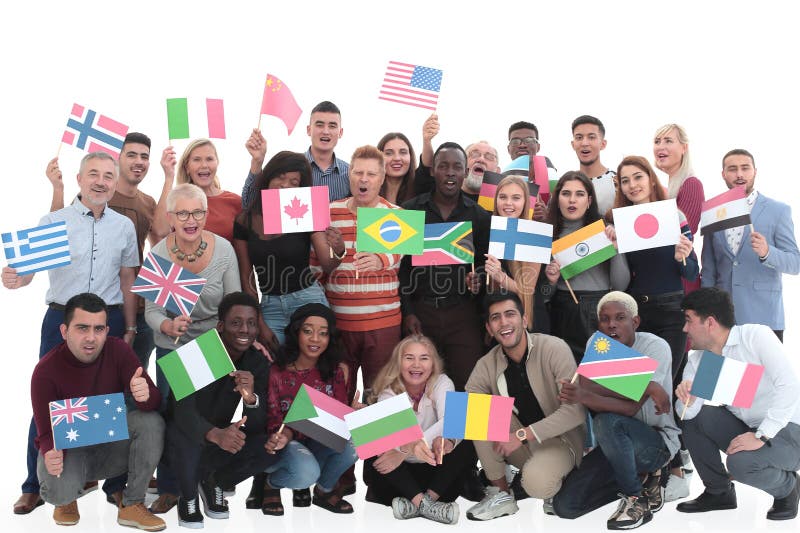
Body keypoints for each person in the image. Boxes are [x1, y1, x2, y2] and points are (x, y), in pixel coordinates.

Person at [3, 152, 139, 515]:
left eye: (108, 176)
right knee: (49, 403)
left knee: (112, 399)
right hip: (61, 318)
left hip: (107, 317)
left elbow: (128, 281)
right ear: (79, 179)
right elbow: (28, 272)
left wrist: (128, 327)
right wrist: (15, 278)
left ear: (115, 182)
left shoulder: (124, 227)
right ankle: (34, 485)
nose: (100, 181)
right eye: (93, 174)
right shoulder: (53, 221)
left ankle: (114, 485)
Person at [145, 183, 241, 513]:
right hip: (172, 345)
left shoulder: (224, 249)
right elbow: (151, 312)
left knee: (208, 418)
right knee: (173, 416)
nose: (191, 219)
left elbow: (233, 304)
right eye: (183, 212)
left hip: (211, 344)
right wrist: (168, 325)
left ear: (206, 214)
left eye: (198, 212)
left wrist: (222, 328)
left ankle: (204, 478)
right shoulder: (158, 254)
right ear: (171, 217)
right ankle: (173, 486)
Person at [32, 293, 164, 530]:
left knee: (151, 421)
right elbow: (44, 430)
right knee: (57, 492)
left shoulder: (118, 350)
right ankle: (68, 497)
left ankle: (133, 505)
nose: (91, 338)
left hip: (110, 445)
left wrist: (144, 396)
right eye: (82, 328)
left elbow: (153, 402)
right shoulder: (45, 371)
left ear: (107, 330)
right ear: (64, 331)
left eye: (99, 329)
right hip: (70, 448)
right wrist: (50, 451)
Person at [45, 133, 176, 370]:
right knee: (59, 390)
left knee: (123, 388)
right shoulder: (92, 198)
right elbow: (57, 231)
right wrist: (57, 189)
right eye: (131, 155)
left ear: (113, 181)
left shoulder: (142, 207)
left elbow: (159, 236)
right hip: (69, 311)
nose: (138, 161)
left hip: (125, 308)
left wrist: (169, 177)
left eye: (144, 156)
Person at [553, 291, 680, 530]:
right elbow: (590, 388)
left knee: (607, 421)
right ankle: (639, 480)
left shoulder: (656, 346)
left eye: (620, 318)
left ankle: (635, 498)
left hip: (654, 443)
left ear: (635, 322)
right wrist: (645, 385)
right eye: (604, 318)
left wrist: (590, 392)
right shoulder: (597, 343)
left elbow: (630, 408)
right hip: (614, 445)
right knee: (565, 507)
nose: (611, 324)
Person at [613, 155, 698, 499]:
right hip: (637, 312)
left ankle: (676, 469)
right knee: (636, 387)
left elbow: (691, 273)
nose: (633, 185)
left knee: (662, 385)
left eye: (638, 177)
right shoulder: (619, 222)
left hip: (671, 311)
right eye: (626, 180)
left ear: (650, 179)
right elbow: (620, 279)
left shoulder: (673, 216)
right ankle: (654, 463)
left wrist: (685, 256)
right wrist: (614, 249)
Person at [675, 287, 800, 521]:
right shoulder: (701, 360)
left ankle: (788, 488)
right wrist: (686, 401)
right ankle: (718, 492)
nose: (684, 329)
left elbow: (790, 386)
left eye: (688, 321)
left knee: (739, 464)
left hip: (790, 429)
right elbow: (688, 416)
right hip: (750, 427)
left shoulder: (754, 337)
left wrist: (761, 435)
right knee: (696, 420)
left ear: (709, 322)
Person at [464, 291, 586, 521]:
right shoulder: (487, 363)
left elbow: (575, 412)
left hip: (562, 441)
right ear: (490, 329)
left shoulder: (553, 348)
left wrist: (521, 435)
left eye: (510, 314)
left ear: (524, 320)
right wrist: (446, 441)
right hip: (520, 445)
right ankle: (501, 493)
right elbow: (467, 411)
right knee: (475, 407)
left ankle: (557, 477)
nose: (504, 323)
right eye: (495, 318)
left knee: (536, 484)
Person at [166, 292, 277, 528]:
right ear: (220, 326)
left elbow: (260, 422)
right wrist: (215, 434)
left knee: (269, 446)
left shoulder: (256, 360)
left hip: (218, 442)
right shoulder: (197, 352)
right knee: (187, 436)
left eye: (251, 323)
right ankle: (188, 497)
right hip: (182, 437)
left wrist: (251, 398)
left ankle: (213, 480)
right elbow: (181, 412)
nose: (244, 330)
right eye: (236, 323)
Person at [309, 145, 403, 402]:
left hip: (383, 325)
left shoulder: (396, 215)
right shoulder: (328, 212)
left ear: (382, 179)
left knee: (380, 397)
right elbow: (315, 267)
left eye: (371, 174)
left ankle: (379, 444)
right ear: (349, 176)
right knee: (338, 396)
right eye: (358, 172)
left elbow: (401, 257)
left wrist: (380, 260)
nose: (363, 179)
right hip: (340, 325)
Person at [400, 142, 491, 392]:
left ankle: (463, 434)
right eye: (443, 166)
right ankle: (426, 433)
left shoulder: (480, 216)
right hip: (421, 313)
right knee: (420, 387)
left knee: (469, 385)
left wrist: (479, 278)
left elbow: (486, 263)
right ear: (433, 171)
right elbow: (402, 268)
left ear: (465, 172)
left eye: (457, 167)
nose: (450, 172)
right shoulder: (410, 211)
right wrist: (408, 311)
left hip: (463, 314)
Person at [363, 334, 473, 525]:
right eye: (409, 358)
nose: (416, 365)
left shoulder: (442, 382)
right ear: (399, 363)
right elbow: (392, 439)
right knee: (375, 439)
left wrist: (445, 441)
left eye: (424, 358)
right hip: (398, 481)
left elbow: (453, 420)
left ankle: (422, 504)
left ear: (433, 364)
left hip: (437, 481)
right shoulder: (388, 393)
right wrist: (407, 448)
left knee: (466, 429)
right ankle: (426, 506)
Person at [260, 303, 358, 515]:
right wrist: (284, 435)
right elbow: (273, 419)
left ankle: (324, 491)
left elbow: (338, 424)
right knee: (306, 473)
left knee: (358, 440)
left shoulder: (335, 372)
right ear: (296, 333)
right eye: (308, 331)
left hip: (318, 442)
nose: (315, 339)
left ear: (330, 338)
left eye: (323, 333)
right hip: (284, 444)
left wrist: (354, 414)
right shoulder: (277, 371)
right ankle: (270, 484)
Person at [233, 150, 331, 349]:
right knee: (272, 368)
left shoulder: (306, 211)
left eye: (294, 183)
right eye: (280, 177)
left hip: (307, 300)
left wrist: (337, 249)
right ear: (268, 176)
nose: (285, 185)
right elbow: (246, 277)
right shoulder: (245, 220)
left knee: (310, 369)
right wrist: (259, 322)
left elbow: (328, 263)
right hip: (270, 305)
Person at [701, 149, 800, 341]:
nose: (739, 174)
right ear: (723, 174)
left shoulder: (778, 211)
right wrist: (706, 311)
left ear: (755, 171)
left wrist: (767, 252)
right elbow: (709, 269)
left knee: (763, 373)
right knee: (714, 372)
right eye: (732, 169)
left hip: (764, 318)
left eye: (745, 168)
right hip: (721, 320)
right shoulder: (714, 212)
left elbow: (795, 263)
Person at [544, 171, 629, 364]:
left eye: (579, 194)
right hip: (560, 312)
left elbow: (621, 285)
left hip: (599, 310)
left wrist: (616, 249)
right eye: (566, 194)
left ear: (589, 200)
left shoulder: (604, 231)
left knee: (609, 380)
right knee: (568, 382)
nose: (572, 200)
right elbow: (543, 294)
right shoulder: (546, 235)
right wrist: (551, 281)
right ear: (557, 199)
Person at [241, 101, 350, 206]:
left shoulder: (352, 174)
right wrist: (257, 161)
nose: (326, 131)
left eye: (332, 126)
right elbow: (248, 204)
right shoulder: (287, 166)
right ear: (308, 130)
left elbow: (366, 210)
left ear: (340, 132)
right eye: (320, 125)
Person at [483, 175, 540, 331]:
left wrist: (500, 277)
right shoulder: (489, 232)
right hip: (498, 324)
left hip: (529, 322)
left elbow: (528, 290)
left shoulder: (534, 233)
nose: (508, 203)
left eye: (516, 198)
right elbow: (488, 285)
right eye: (503, 197)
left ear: (525, 202)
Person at [168, 138, 242, 243]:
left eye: (209, 159)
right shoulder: (176, 203)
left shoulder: (236, 202)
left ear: (217, 163)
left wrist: (256, 163)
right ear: (187, 167)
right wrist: (169, 177)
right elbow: (159, 234)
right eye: (197, 159)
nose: (204, 165)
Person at [653, 124, 704, 235]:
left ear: (684, 148)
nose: (660, 147)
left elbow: (685, 233)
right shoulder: (655, 185)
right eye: (657, 142)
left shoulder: (692, 184)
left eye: (668, 141)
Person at [507, 121, 558, 222]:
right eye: (515, 141)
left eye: (529, 140)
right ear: (508, 149)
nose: (522, 145)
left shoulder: (552, 177)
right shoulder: (497, 180)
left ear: (538, 147)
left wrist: (547, 216)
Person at [570, 115, 616, 215]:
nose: (584, 143)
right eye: (579, 137)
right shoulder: (565, 184)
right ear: (573, 144)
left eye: (591, 137)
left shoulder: (617, 182)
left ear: (603, 144)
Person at [377, 132, 417, 205]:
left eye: (403, 152)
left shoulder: (420, 192)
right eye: (389, 153)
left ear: (410, 156)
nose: (397, 158)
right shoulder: (367, 190)